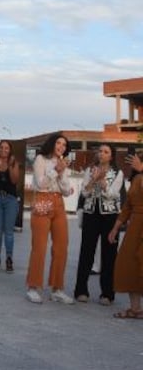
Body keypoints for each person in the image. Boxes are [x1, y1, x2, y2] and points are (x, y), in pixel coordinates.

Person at [26, 133, 74, 304]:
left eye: (64, 145)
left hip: (59, 203)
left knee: (62, 246)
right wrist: (56, 171)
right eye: (58, 143)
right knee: (39, 246)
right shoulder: (41, 159)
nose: (61, 146)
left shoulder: (63, 164)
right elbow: (41, 184)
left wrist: (61, 173)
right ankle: (33, 286)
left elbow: (67, 191)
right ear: (52, 144)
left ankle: (57, 288)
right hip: (43, 200)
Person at [74, 144, 123, 304]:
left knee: (109, 254)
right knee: (86, 251)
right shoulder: (90, 170)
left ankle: (107, 293)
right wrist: (93, 180)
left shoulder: (118, 173)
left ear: (111, 156)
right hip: (90, 214)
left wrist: (102, 181)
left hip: (110, 216)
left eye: (106, 152)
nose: (102, 154)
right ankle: (81, 290)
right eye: (100, 151)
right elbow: (84, 193)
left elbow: (113, 195)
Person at [108, 152, 143, 319]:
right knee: (128, 264)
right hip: (135, 226)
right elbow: (128, 207)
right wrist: (115, 228)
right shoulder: (136, 179)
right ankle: (135, 309)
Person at [0, 139, 20, 272]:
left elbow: (14, 180)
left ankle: (9, 258)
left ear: (10, 150)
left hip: (10, 199)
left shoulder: (14, 163)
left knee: (8, 232)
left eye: (6, 148)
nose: (3, 150)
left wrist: (11, 166)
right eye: (1, 148)